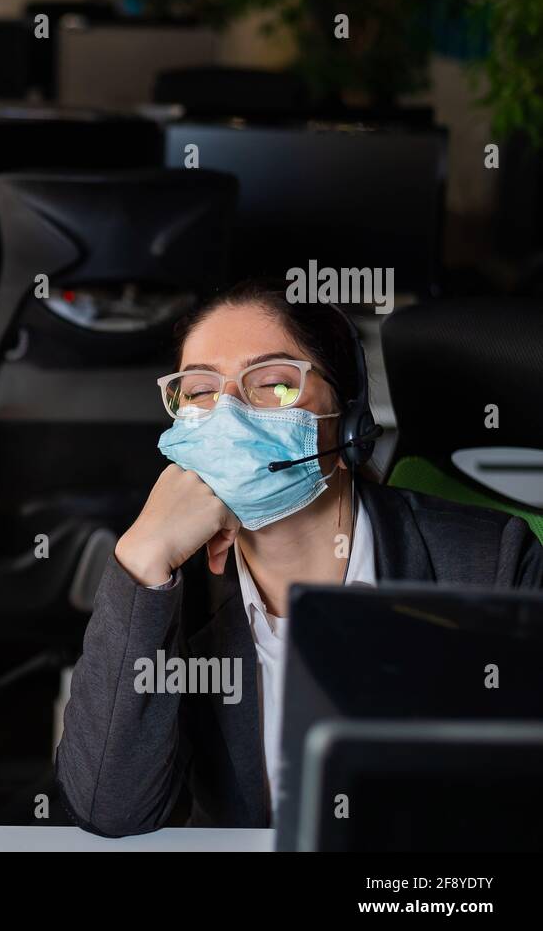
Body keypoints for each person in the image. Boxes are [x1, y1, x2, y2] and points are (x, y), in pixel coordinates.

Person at [56, 280, 543, 837]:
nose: (228, 414)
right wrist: (141, 559)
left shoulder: (492, 561)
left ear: (351, 421)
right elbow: (109, 810)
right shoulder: (168, 584)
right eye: (198, 392)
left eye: (272, 384)